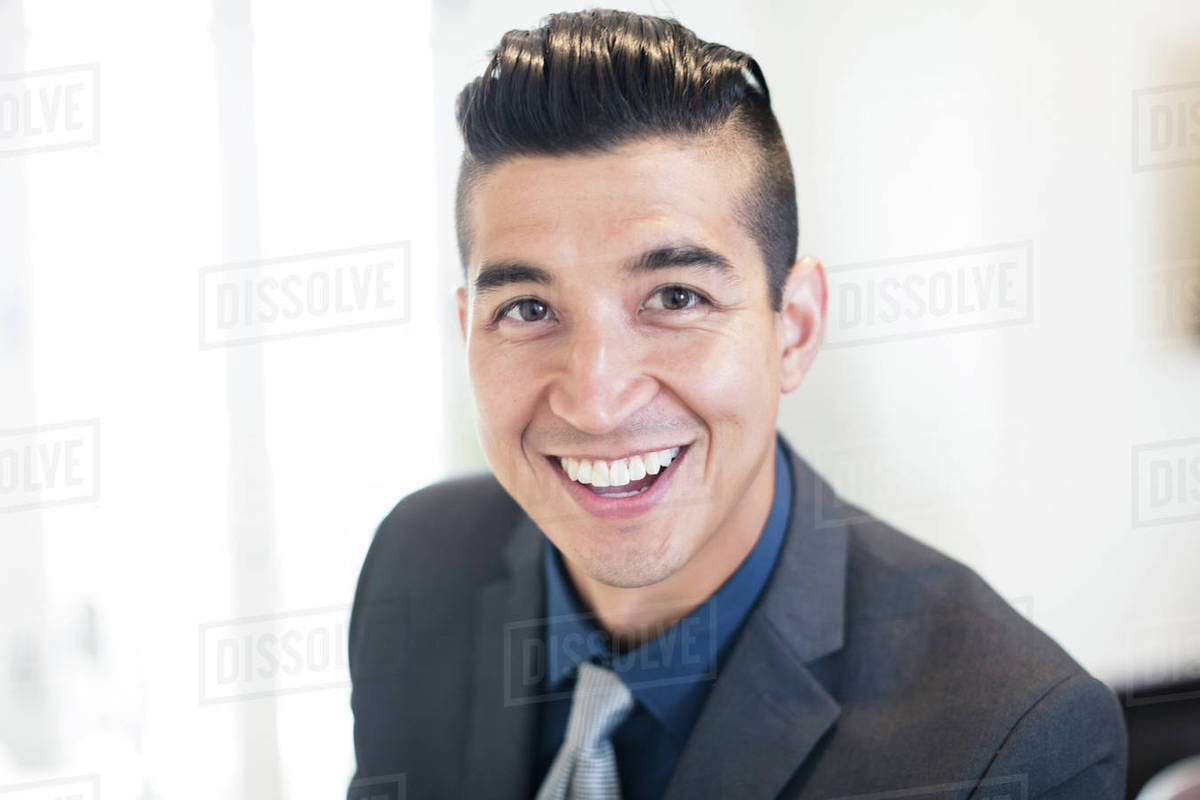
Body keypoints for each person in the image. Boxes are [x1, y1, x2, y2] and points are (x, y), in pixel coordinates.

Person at [347, 9, 1127, 799]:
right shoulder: (416, 563)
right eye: (525, 309)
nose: (595, 401)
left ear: (794, 328)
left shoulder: (1009, 742)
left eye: (675, 297)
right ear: (466, 331)